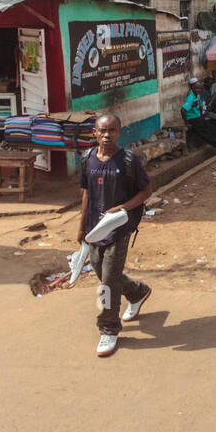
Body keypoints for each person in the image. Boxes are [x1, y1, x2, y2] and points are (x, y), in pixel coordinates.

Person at [78, 113, 153, 358]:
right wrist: (81, 229)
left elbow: (146, 191)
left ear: (120, 132)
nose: (107, 135)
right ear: (95, 133)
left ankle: (108, 328)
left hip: (119, 229)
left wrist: (123, 208)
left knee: (108, 281)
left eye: (112, 130)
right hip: (94, 230)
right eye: (102, 130)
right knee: (104, 273)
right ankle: (137, 292)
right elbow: (86, 195)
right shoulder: (87, 159)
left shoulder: (129, 160)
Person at [181, 77, 216, 151]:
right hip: (192, 119)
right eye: (197, 89)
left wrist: (202, 116)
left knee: (211, 128)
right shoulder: (190, 97)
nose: (198, 90)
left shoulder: (198, 96)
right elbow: (183, 110)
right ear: (193, 88)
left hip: (199, 117)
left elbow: (200, 106)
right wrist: (187, 123)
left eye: (200, 89)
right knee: (206, 134)